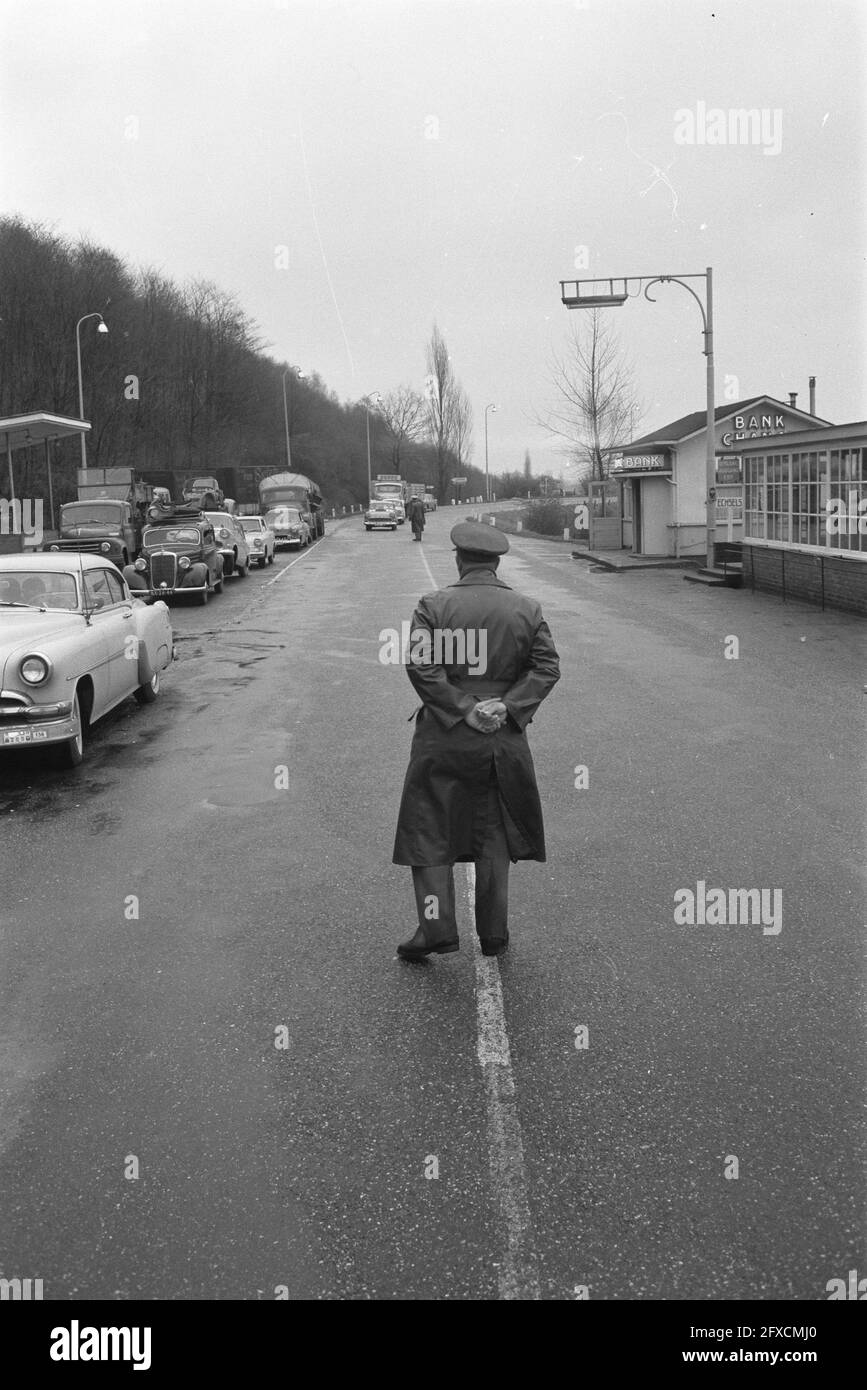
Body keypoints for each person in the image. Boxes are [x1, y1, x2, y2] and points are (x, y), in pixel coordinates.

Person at [392, 521, 560, 961]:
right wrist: (505, 706)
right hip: (502, 738)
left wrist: (464, 708)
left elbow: (422, 667)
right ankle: (494, 933)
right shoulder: (527, 608)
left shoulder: (434, 605)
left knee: (429, 830)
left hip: (444, 736)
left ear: (459, 559)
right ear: (497, 562)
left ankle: (435, 931)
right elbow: (546, 668)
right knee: (493, 834)